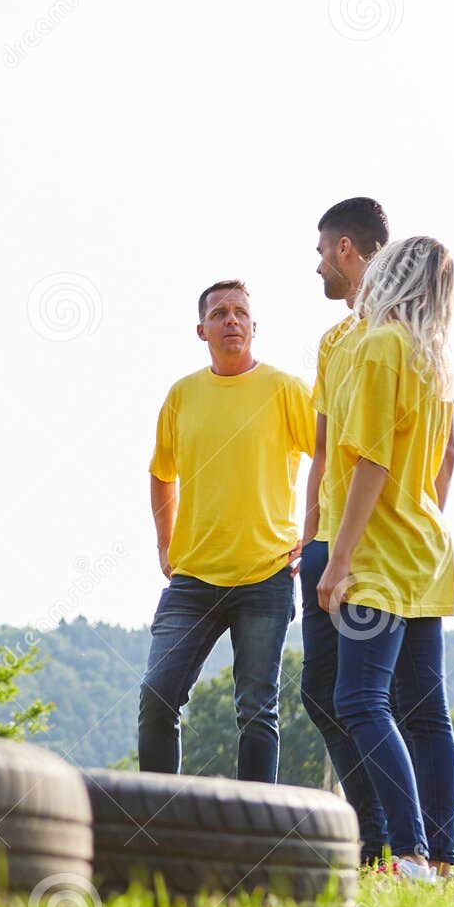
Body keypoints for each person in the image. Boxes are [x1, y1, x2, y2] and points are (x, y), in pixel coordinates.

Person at [317, 236, 454, 882]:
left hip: (379, 554)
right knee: (427, 712)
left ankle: (406, 852)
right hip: (426, 552)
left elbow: (370, 460)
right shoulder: (434, 357)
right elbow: (447, 459)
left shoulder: (378, 347)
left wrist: (338, 557)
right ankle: (440, 857)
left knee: (359, 700)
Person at [138, 281, 314, 780]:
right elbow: (160, 472)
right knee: (157, 695)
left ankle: (254, 844)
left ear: (254, 326)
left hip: (265, 577)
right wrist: (164, 545)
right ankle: (156, 824)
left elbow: (329, 458)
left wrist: (314, 531)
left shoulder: (285, 389)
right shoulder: (183, 394)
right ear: (202, 329)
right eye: (220, 314)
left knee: (257, 711)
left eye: (240, 313)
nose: (231, 321)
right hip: (192, 579)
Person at [300, 196, 393, 863]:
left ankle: (401, 837)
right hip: (327, 542)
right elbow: (325, 451)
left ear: (345, 251)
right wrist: (312, 540)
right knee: (320, 691)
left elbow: (439, 451)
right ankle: (372, 833)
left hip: (377, 547)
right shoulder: (333, 341)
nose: (316, 267)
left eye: (319, 251)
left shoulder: (400, 333)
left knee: (373, 698)